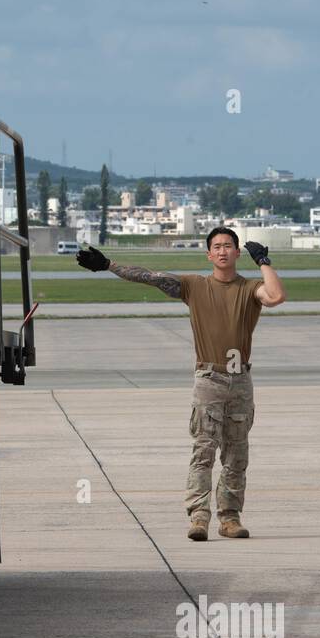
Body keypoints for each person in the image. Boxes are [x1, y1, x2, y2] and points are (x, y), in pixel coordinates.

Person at [76, 228, 286, 540]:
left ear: (238, 252)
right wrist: (109, 265)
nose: (223, 251)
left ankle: (230, 519)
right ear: (208, 254)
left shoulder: (250, 287)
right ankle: (198, 519)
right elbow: (150, 276)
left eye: (229, 246)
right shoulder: (194, 285)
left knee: (236, 455)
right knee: (204, 451)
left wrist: (264, 261)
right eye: (217, 246)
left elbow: (276, 296)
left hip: (240, 380)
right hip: (209, 378)